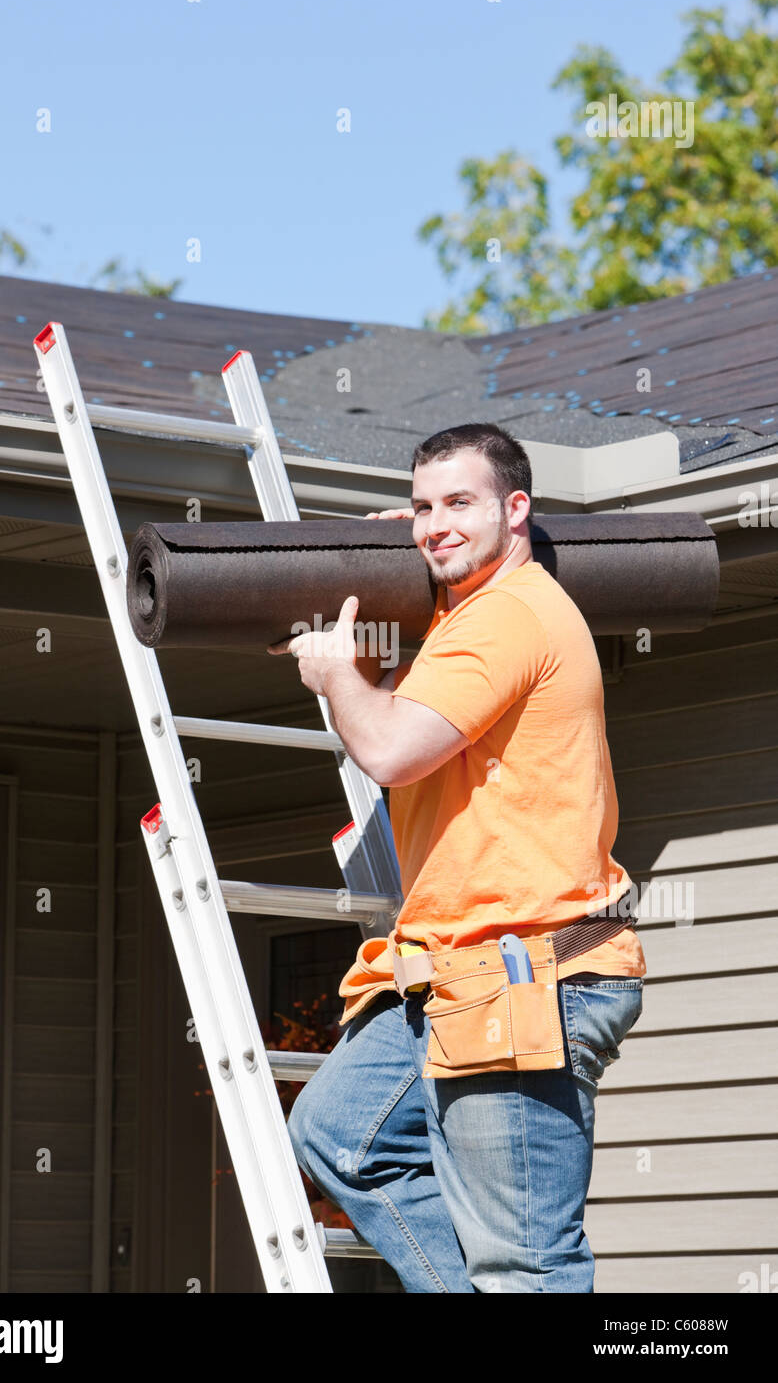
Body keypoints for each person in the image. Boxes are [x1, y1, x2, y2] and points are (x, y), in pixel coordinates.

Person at [268, 423, 646, 1293]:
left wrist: (338, 680)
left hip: (526, 971)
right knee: (341, 1135)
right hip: (460, 968)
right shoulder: (473, 608)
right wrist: (386, 550)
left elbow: (394, 752)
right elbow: (434, 582)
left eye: (461, 503)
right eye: (422, 508)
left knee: (527, 1263)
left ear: (518, 509)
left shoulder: (507, 617)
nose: (436, 524)